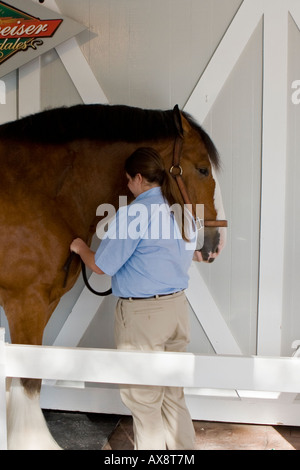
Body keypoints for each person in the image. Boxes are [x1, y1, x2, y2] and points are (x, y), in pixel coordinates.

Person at [70, 147, 196, 450]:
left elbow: (102, 266)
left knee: (143, 399)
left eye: (128, 180)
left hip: (144, 317)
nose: (128, 186)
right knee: (172, 394)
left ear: (139, 178)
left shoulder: (135, 213)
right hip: (178, 309)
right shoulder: (181, 210)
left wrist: (79, 248)